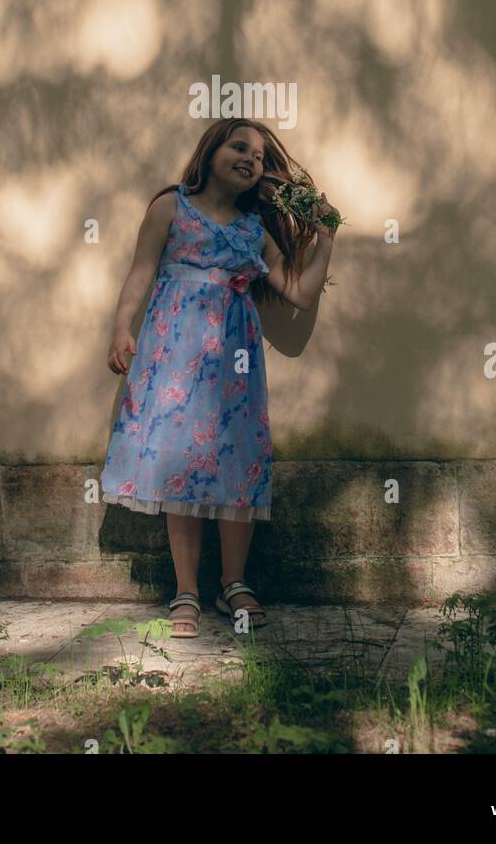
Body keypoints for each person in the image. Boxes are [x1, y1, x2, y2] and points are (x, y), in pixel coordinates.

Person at [100, 117, 340, 637]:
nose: (250, 160)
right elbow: (140, 270)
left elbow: (298, 294)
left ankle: (234, 581)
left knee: (239, 461)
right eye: (239, 147)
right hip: (173, 355)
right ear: (210, 151)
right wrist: (122, 327)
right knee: (181, 465)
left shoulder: (255, 232)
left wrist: (325, 239)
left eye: (258, 157)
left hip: (235, 362)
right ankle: (185, 588)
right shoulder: (170, 207)